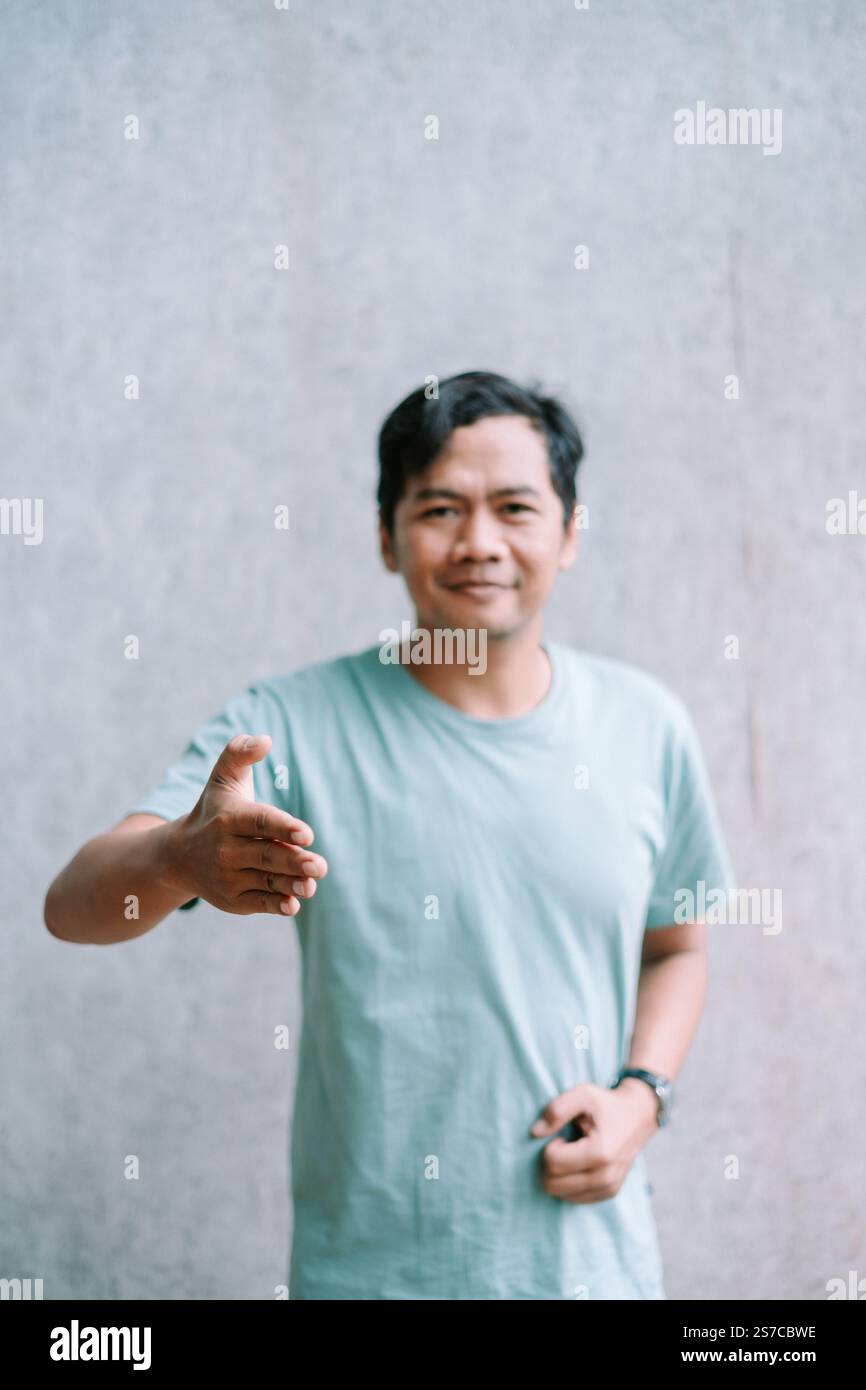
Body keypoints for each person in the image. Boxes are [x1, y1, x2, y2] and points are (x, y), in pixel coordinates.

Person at [44, 369, 736, 1300]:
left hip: (590, 1274)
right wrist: (177, 858)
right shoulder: (287, 726)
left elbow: (677, 946)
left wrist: (644, 1097)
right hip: (367, 1279)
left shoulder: (646, 726)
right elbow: (74, 906)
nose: (479, 542)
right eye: (440, 509)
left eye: (516, 508)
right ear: (386, 535)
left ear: (570, 533)